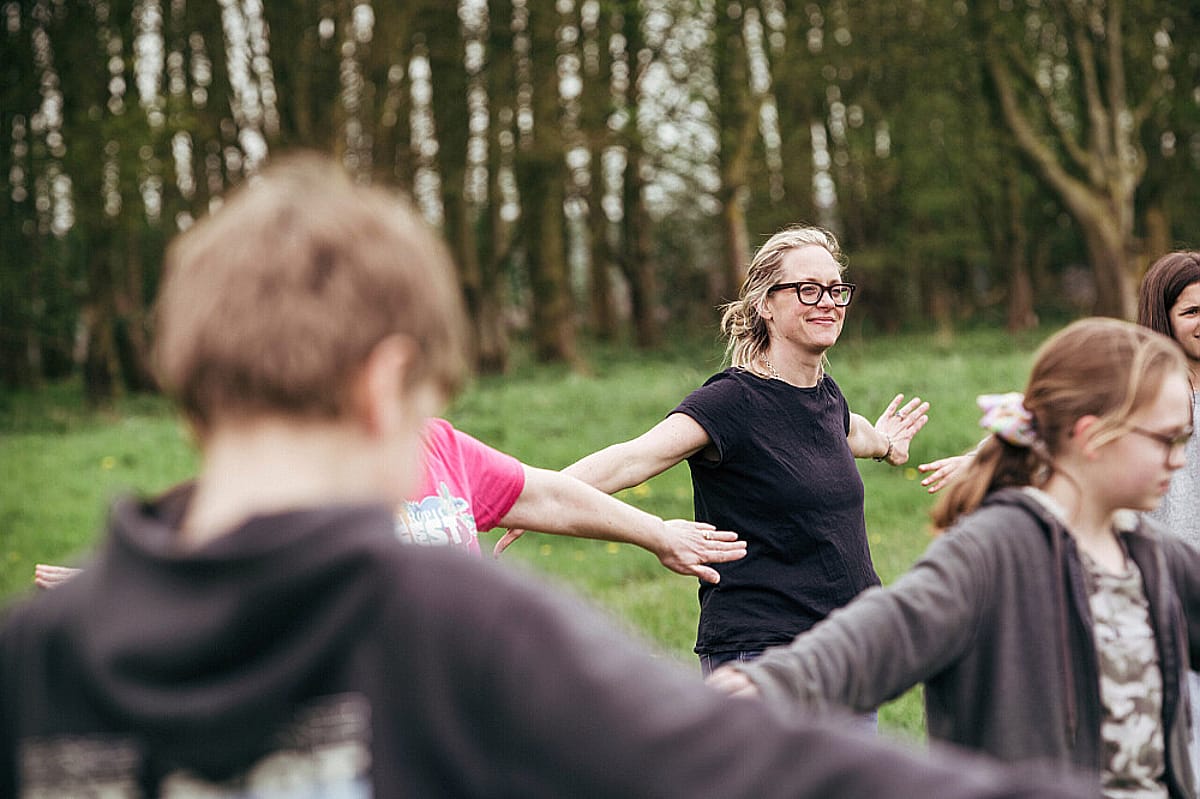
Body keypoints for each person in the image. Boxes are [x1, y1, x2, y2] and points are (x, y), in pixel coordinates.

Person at [0, 153, 1096, 799]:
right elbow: (735, 759)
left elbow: (537, 488)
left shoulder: (39, 658)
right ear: (389, 382)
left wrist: (656, 534)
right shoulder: (439, 618)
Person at [708, 317, 1200, 798]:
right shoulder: (998, 548)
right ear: (1094, 435)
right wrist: (770, 683)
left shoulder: (1151, 556)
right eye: (1167, 439)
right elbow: (886, 632)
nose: (1180, 458)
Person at [499, 224, 929, 674]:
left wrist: (886, 445)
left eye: (835, 290)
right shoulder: (731, 402)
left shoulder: (826, 398)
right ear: (765, 303)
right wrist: (532, 497)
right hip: (766, 655)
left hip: (851, 646)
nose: (826, 301)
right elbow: (634, 457)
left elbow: (850, 431)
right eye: (807, 289)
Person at [33, 415, 746, 589]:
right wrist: (125, 589)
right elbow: (224, 570)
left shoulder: (435, 444)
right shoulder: (290, 472)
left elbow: (546, 494)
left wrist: (656, 531)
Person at [1138, 250, 1200, 784]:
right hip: (1164, 594)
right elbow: (1062, 426)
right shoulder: (1143, 392)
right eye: (1192, 311)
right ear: (1163, 317)